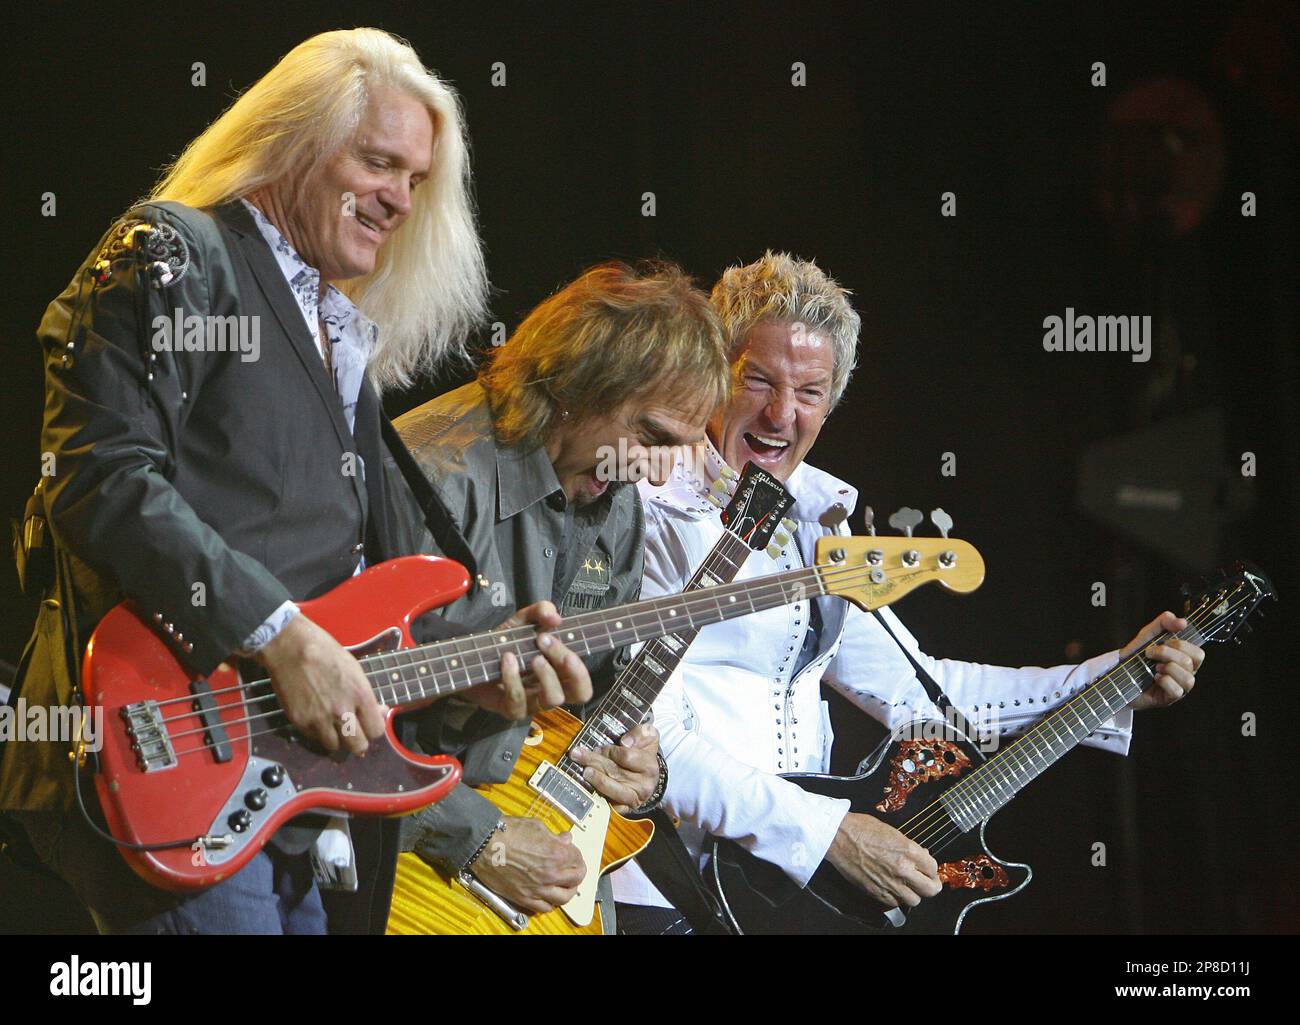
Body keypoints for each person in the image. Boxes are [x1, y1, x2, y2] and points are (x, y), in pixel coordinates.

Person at [0, 28, 590, 936]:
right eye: (378, 162)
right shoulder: (178, 249)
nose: (399, 199)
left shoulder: (339, 334)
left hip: (284, 792)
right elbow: (99, 473)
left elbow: (354, 593)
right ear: (293, 140)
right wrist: (279, 638)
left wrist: (472, 666)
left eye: (415, 180)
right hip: (160, 754)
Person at [610, 251, 1206, 933]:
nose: (782, 413)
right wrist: (830, 833)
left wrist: (1113, 676)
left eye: (809, 392)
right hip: (664, 894)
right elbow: (656, 742)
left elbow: (923, 694)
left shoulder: (818, 520)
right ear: (716, 373)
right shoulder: (646, 506)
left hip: (777, 902)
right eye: (759, 381)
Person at [395, 261, 730, 932]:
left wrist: (640, 769)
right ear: (576, 386)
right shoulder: (423, 479)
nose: (658, 471)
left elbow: (595, 699)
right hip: (411, 857)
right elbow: (316, 726)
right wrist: (476, 838)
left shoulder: (617, 497)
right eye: (653, 436)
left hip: (527, 848)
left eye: (682, 449)